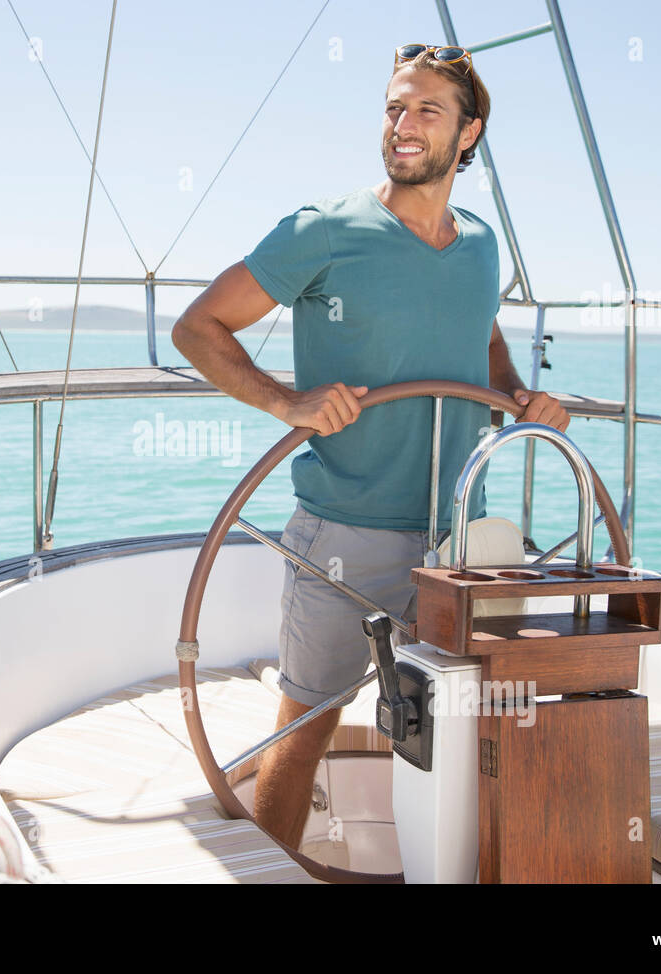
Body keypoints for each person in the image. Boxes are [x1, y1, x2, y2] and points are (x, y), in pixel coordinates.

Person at [171, 45, 570, 852]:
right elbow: (197, 327)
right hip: (344, 535)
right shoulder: (324, 231)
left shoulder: (483, 245)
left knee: (464, 730)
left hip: (463, 541)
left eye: (427, 109)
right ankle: (275, 871)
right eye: (395, 107)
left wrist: (517, 395)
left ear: (469, 134)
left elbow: (478, 328)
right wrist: (287, 401)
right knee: (309, 722)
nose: (404, 124)